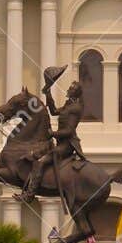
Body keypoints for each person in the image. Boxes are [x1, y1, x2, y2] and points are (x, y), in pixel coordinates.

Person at [19, 69, 86, 204]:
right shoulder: (69, 105)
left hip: (67, 145)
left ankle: (29, 195)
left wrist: (53, 133)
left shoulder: (76, 108)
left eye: (71, 88)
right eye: (69, 87)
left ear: (76, 92)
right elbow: (54, 111)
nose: (68, 89)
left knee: (40, 162)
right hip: (60, 142)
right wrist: (48, 92)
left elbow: (69, 131)